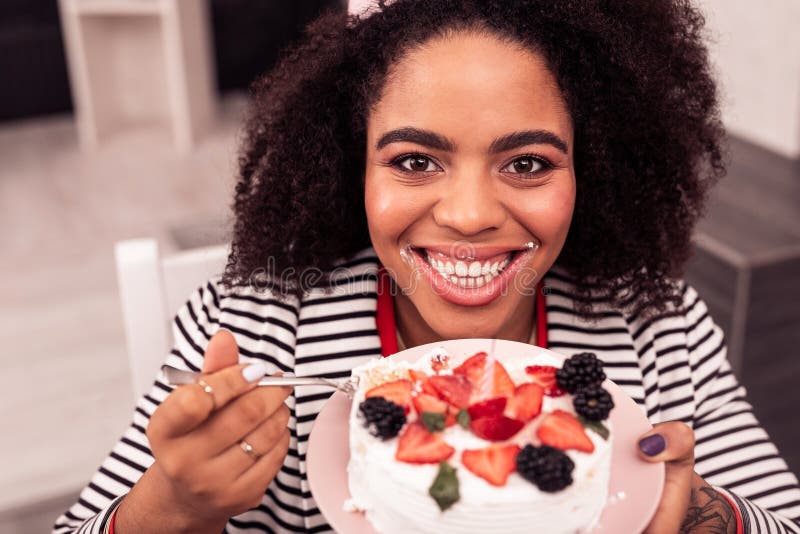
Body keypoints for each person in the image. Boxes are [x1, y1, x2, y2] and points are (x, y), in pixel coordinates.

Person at [54, 0, 800, 532]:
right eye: (415, 160)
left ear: (593, 171)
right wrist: (176, 508)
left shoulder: (659, 329)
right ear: (352, 171)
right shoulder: (258, 326)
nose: (469, 213)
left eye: (528, 162)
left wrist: (706, 515)